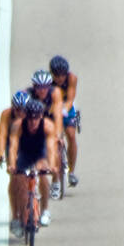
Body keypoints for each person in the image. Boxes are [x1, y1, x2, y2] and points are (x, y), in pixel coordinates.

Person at [8, 97, 57, 231]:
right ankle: (16, 217)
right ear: (25, 117)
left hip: (40, 153)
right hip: (24, 152)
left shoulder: (47, 126)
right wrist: (12, 165)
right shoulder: (18, 125)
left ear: (41, 116)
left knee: (43, 176)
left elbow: (51, 149)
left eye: (36, 118)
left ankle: (45, 210)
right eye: (30, 118)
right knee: (17, 180)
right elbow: (13, 148)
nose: (33, 121)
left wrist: (51, 165)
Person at [0, 90, 30, 231]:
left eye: (23, 110)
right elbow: (3, 135)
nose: (20, 113)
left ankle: (34, 206)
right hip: (12, 144)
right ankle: (15, 216)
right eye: (17, 110)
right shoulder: (6, 115)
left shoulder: (33, 114)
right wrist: (0, 154)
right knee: (15, 177)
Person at [30, 68, 64, 198]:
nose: (42, 90)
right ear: (34, 87)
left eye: (45, 87)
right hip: (35, 122)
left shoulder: (55, 93)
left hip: (52, 120)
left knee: (54, 148)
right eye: (39, 87)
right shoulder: (29, 95)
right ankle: (35, 182)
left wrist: (59, 135)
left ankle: (55, 182)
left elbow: (58, 117)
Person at [49, 55, 80, 187]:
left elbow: (70, 98)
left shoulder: (72, 78)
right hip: (51, 108)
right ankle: (54, 178)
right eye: (57, 75)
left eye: (62, 75)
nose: (60, 78)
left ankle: (71, 172)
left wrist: (64, 110)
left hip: (66, 108)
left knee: (71, 136)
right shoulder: (47, 82)